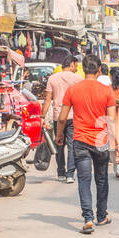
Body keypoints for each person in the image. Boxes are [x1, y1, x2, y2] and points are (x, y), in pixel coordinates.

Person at [58, 53, 119, 233]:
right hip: (101, 142)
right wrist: (116, 145)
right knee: (101, 179)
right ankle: (101, 216)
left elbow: (62, 118)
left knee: (84, 180)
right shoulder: (107, 91)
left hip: (81, 141)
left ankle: (88, 219)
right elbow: (111, 120)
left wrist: (59, 136)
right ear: (99, 69)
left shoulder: (72, 90)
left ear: (82, 69)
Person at [42, 55, 82, 183]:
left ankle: (61, 172)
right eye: (75, 65)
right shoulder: (78, 79)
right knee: (72, 145)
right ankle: (70, 174)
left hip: (58, 116)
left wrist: (42, 117)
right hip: (72, 116)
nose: (76, 68)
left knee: (59, 143)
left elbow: (48, 99)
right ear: (71, 64)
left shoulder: (52, 78)